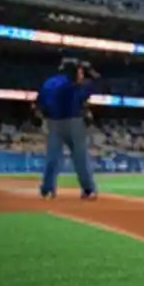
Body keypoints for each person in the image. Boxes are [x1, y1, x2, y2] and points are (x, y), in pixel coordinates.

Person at [33, 57, 101, 200]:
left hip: (53, 122)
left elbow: (38, 103)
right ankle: (88, 189)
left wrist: (38, 115)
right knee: (80, 158)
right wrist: (91, 72)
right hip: (74, 121)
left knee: (52, 158)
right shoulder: (75, 85)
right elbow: (93, 85)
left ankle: (47, 189)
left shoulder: (49, 82)